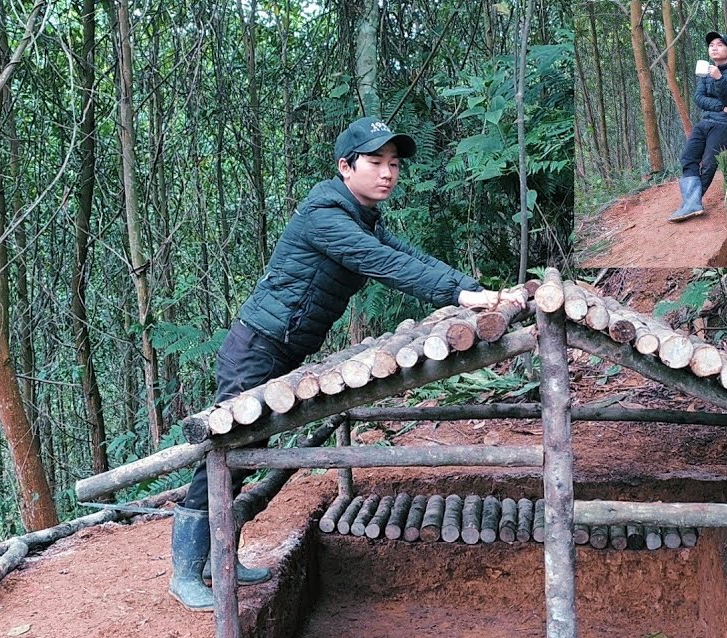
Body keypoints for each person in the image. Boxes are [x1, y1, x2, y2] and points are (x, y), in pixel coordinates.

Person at [168, 117, 524, 611]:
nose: (387, 174)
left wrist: (470, 288)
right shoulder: (326, 216)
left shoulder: (362, 217)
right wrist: (460, 292)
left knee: (246, 453)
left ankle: (217, 559)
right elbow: (382, 264)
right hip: (256, 346)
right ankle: (186, 571)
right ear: (345, 166)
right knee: (227, 449)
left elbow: (408, 254)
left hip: (283, 347)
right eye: (375, 163)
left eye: (394, 165)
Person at [668, 31, 727, 222]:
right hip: (706, 121)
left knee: (709, 163)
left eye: (719, 44)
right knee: (688, 158)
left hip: (726, 124)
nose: (713, 47)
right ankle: (692, 203)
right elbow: (699, 99)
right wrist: (721, 106)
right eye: (711, 44)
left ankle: (691, 203)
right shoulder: (706, 73)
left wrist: (719, 78)